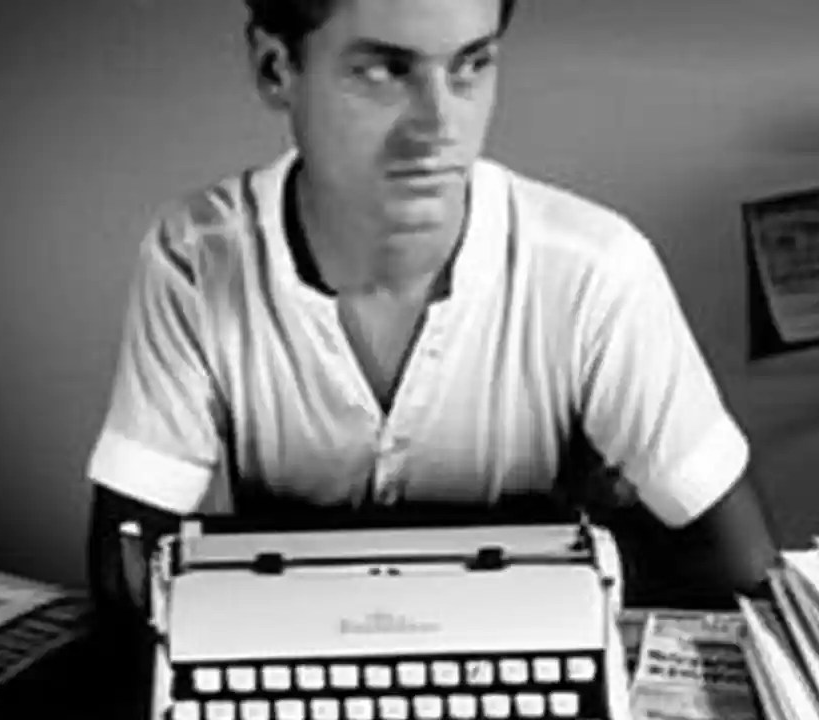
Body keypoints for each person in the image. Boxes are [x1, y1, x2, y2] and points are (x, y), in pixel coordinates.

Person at [85, 0, 778, 675]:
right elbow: (124, 568)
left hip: (518, 663)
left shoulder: (594, 267)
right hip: (303, 668)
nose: (440, 127)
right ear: (276, 69)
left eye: (471, 66)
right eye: (386, 70)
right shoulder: (196, 255)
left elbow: (736, 561)